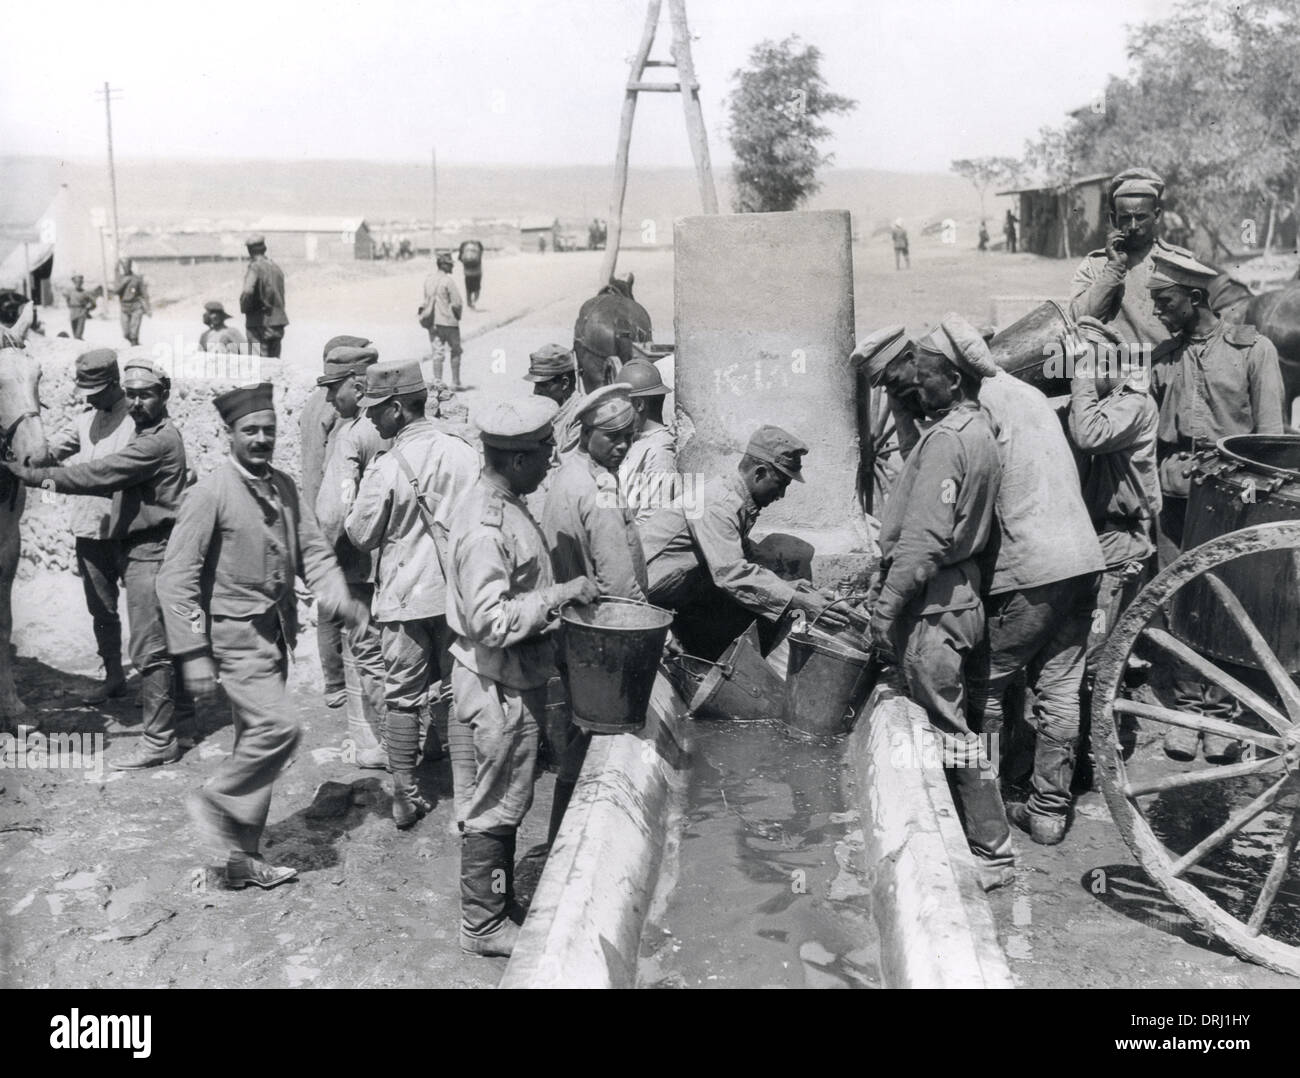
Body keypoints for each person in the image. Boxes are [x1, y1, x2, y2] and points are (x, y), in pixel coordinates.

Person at [161, 383, 367, 891]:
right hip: (232, 637)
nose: (260, 439)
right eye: (249, 431)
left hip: (274, 632)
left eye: (268, 431)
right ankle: (216, 799)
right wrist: (191, 653)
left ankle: (240, 861)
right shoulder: (210, 493)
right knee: (280, 729)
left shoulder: (284, 486)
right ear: (228, 434)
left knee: (256, 739)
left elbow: (313, 551)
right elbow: (175, 579)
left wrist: (338, 596)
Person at [857, 322, 1012, 890]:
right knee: (963, 722)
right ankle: (977, 832)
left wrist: (885, 607)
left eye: (925, 378)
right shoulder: (979, 428)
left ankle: (993, 851)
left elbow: (922, 542)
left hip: (936, 606)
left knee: (951, 730)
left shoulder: (948, 440)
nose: (916, 387)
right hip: (964, 596)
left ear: (954, 378)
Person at [446, 396, 598, 956]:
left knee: (505, 797)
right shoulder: (487, 525)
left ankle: (497, 904)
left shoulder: (506, 501)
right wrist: (562, 594)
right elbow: (490, 620)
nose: (551, 459)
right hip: (498, 684)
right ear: (515, 460)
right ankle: (483, 924)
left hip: (509, 677)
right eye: (543, 452)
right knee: (495, 804)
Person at [2, 358, 188, 769]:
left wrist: (31, 478)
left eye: (146, 394)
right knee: (115, 618)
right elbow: (55, 452)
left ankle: (161, 739)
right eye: (134, 395)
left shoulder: (152, 439)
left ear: (163, 394)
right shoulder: (120, 424)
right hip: (117, 536)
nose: (138, 402)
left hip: (148, 545)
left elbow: (99, 474)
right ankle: (147, 696)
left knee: (149, 643)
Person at [1146, 248, 1286, 764]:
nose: (1158, 310)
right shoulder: (1163, 358)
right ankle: (1187, 711)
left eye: (1165, 300)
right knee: (1180, 599)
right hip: (1178, 497)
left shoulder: (1254, 351)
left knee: (1230, 603)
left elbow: (1271, 439)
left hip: (1235, 500)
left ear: (1195, 297)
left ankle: (1220, 714)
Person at [346, 360, 479, 829]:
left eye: (377, 411)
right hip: (458, 595)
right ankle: (467, 797)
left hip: (405, 599)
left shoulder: (387, 467)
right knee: (459, 690)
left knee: (403, 695)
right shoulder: (465, 452)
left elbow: (361, 534)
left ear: (398, 408)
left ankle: (405, 796)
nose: (371, 420)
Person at [540, 384, 649, 844]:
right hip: (597, 630)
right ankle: (568, 843)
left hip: (566, 624)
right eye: (613, 437)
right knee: (589, 740)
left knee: (573, 736)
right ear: (588, 434)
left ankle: (558, 844)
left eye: (629, 436)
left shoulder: (570, 473)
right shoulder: (598, 489)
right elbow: (619, 583)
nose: (623, 446)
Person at [641, 425, 848, 661]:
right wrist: (796, 601)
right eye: (780, 485)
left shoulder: (737, 501)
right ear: (759, 473)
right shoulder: (719, 503)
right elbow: (731, 573)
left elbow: (742, 560)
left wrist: (789, 587)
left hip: (674, 596)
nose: (781, 496)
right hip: (641, 600)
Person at [1059, 316, 1160, 792]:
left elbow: (1089, 436)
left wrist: (1081, 373)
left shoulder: (1133, 405)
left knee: (1100, 661)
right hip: (1093, 541)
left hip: (1119, 546)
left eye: (1087, 360)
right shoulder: (1101, 402)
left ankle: (1101, 771)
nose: (1077, 368)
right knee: (1082, 654)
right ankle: (1084, 763)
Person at [314, 343, 389, 771]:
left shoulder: (353, 434)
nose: (327, 398)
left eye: (332, 388)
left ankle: (376, 744)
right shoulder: (405, 423)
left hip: (361, 568)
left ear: (359, 387)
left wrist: (318, 559)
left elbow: (332, 512)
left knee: (365, 657)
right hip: (404, 568)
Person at [46, 349, 135, 701]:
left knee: (148, 608)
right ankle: (114, 674)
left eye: (96, 390)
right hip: (89, 529)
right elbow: (49, 451)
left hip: (131, 530)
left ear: (114, 383)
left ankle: (163, 682)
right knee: (101, 607)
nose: (91, 398)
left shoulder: (137, 417)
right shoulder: (85, 420)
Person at [302, 335, 372, 708]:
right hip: (339, 521)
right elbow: (340, 476)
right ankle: (350, 683)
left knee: (329, 604)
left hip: (318, 510)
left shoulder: (314, 405)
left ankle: (334, 683)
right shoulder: (344, 419)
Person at [1070, 168, 1193, 349]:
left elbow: (1198, 327)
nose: (1133, 226)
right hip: (1114, 370)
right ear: (1114, 219)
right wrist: (1112, 270)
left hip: (1169, 370)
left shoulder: (1180, 262)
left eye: (1141, 217)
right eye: (1126, 218)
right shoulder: (1095, 264)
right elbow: (1077, 320)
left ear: (1157, 215)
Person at [614, 359, 678, 525]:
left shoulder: (659, 451)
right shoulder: (638, 440)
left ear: (639, 404)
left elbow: (652, 520)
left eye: (621, 404)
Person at [239, 235, 288, 358]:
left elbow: (247, 291)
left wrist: (245, 308)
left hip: (259, 323)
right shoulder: (275, 267)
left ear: (249, 250)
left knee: (259, 366)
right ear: (264, 248)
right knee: (275, 364)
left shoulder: (255, 267)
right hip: (277, 322)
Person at [423, 252, 464, 389]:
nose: (452, 267)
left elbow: (426, 301)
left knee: (437, 353)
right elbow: (457, 303)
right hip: (449, 323)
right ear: (444, 265)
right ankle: (455, 383)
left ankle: (438, 384)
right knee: (456, 350)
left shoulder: (428, 280)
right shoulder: (448, 281)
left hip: (433, 323)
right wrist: (457, 316)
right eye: (451, 264)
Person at [112, 259, 151, 347]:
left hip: (136, 306)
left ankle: (135, 344)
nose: (126, 268)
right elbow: (115, 291)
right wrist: (124, 282)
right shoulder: (120, 278)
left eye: (127, 266)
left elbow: (144, 294)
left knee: (134, 332)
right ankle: (135, 343)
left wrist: (148, 308)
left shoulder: (136, 279)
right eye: (124, 266)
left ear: (130, 267)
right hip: (124, 307)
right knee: (126, 333)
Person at [64, 275, 97, 340]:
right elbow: (67, 299)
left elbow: (94, 304)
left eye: (80, 282)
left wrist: (87, 309)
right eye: (76, 282)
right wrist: (69, 305)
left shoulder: (85, 292)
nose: (78, 284)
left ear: (82, 283)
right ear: (74, 283)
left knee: (78, 335)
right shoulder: (70, 292)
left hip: (81, 313)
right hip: (73, 314)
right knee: (75, 335)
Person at [458, 238, 484, 309]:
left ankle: (469, 303)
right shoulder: (478, 245)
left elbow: (460, 258)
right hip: (477, 272)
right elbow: (481, 254)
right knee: (477, 288)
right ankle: (474, 300)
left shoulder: (464, 245)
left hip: (467, 272)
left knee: (468, 288)